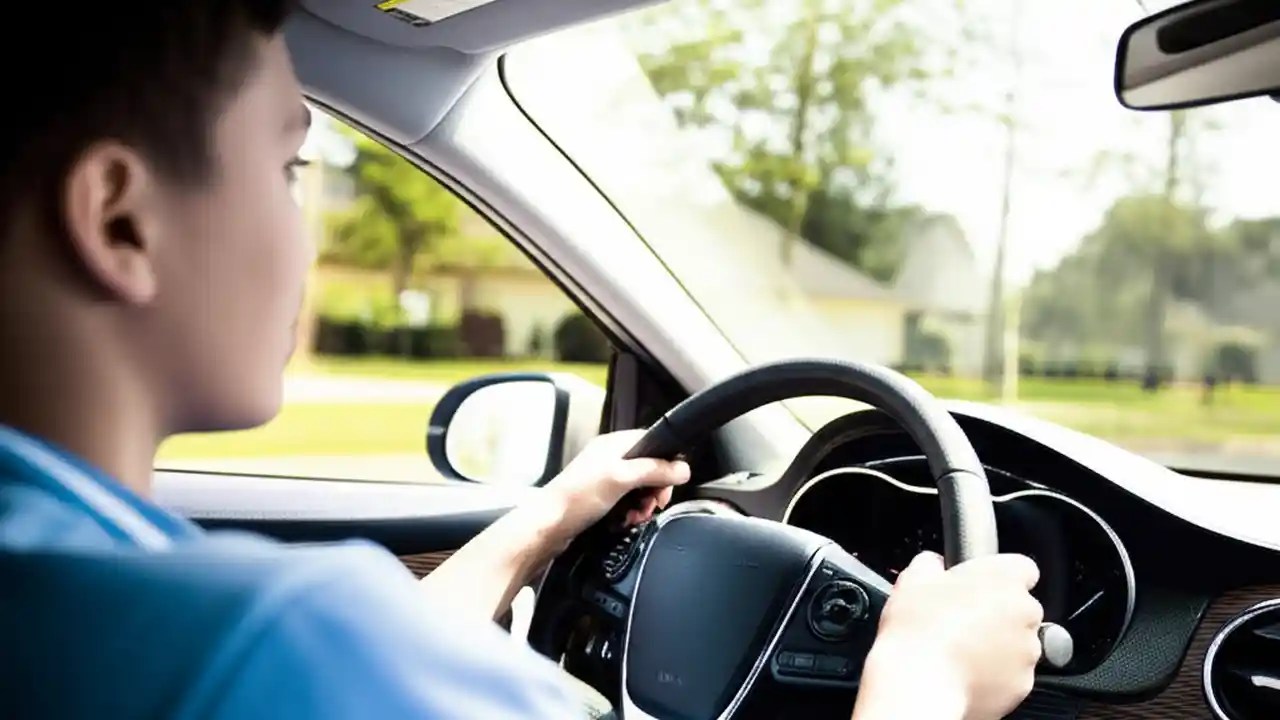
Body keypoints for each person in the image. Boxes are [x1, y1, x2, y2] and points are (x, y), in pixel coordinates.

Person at [0, 2, 1044, 718]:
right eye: (287, 166)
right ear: (120, 219)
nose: (301, 229)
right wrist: (926, 676)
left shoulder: (103, 606)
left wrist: (547, 519)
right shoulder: (264, 636)